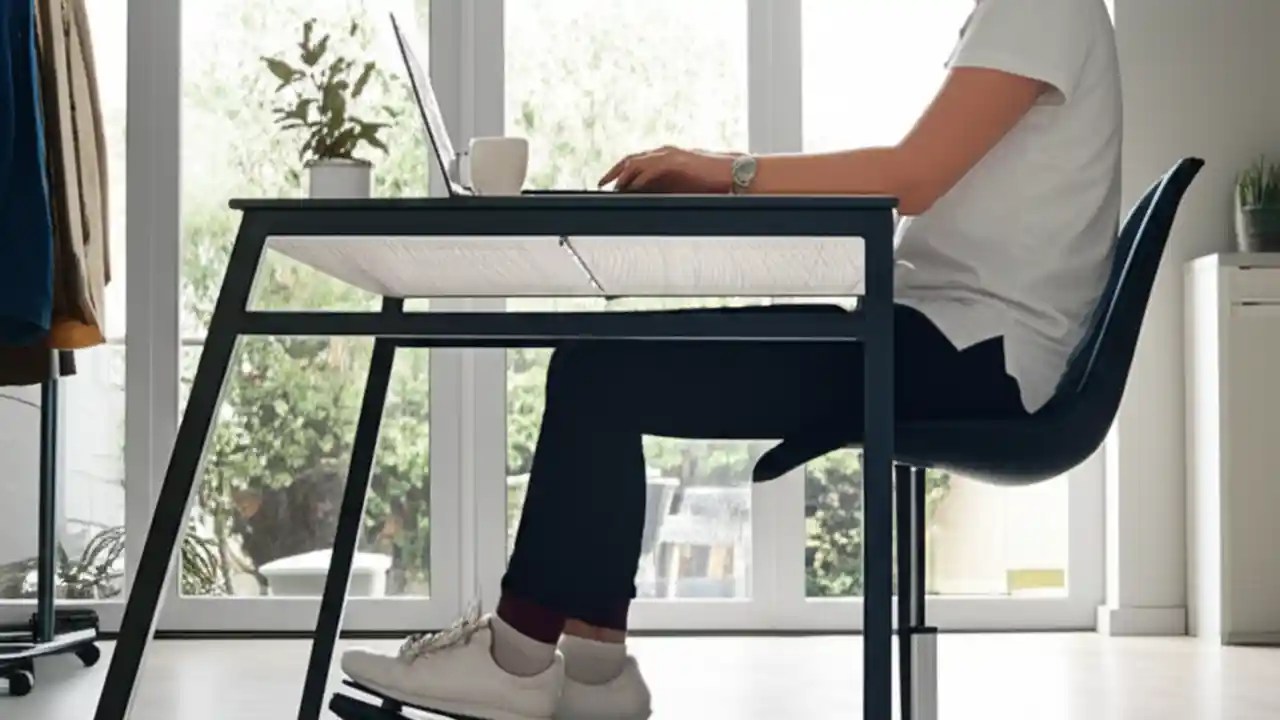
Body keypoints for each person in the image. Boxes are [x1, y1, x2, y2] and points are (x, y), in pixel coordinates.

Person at [341, 0, 1122, 717]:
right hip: (937, 338)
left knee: (596, 372)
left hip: (968, 355)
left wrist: (728, 170)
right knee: (596, 367)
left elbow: (908, 178)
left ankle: (518, 666)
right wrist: (724, 183)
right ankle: (592, 676)